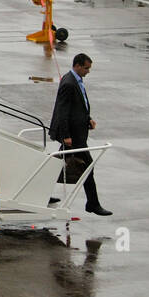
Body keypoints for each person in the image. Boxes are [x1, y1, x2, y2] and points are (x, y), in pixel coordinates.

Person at [49, 53, 111, 215]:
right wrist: (66, 135)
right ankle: (93, 204)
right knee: (87, 167)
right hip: (73, 137)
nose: (88, 71)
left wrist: (88, 119)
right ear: (77, 65)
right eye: (86, 68)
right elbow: (62, 111)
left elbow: (78, 107)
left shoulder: (75, 80)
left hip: (76, 134)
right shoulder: (69, 83)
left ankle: (42, 193)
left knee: (54, 165)